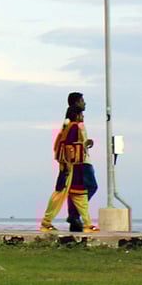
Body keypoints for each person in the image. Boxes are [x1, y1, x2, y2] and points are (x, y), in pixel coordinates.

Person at [41, 104, 99, 233]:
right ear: (77, 115)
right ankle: (46, 222)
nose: (83, 116)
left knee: (80, 196)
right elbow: (68, 146)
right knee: (61, 194)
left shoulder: (68, 127)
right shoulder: (73, 127)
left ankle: (88, 224)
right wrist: (68, 163)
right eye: (81, 114)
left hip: (75, 167)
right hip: (70, 167)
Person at [61, 93, 99, 231]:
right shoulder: (73, 123)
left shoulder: (78, 122)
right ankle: (75, 213)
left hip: (81, 158)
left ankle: (74, 218)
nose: (85, 103)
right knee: (90, 186)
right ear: (77, 102)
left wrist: (86, 143)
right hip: (80, 160)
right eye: (83, 101)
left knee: (77, 189)